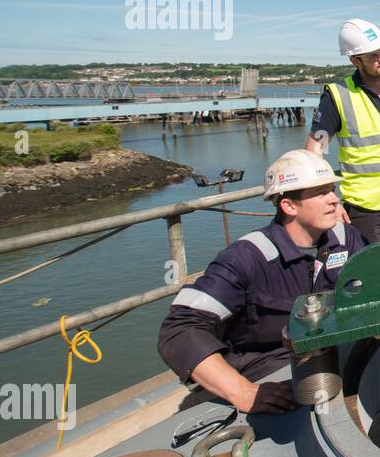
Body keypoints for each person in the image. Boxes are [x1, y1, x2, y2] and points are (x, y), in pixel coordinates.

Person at [157, 149, 366, 414]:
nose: (335, 200)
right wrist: (242, 391)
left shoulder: (345, 238)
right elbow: (179, 330)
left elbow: (374, 286)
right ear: (288, 205)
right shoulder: (247, 258)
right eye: (320, 193)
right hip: (271, 366)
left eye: (332, 190)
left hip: (333, 352)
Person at [305, 18, 380, 244]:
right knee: (368, 271)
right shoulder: (337, 96)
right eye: (373, 54)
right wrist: (330, 200)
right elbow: (315, 151)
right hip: (364, 205)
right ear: (355, 60)